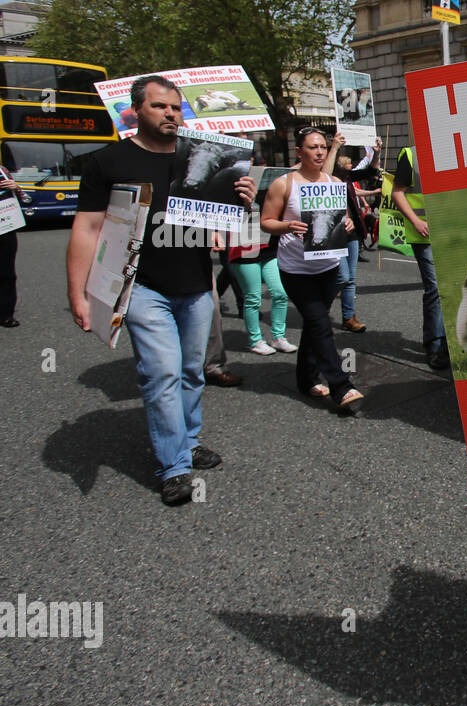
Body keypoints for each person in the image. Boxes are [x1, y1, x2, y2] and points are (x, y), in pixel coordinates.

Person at [66, 75, 254, 505]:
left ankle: (187, 441)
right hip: (140, 287)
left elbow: (227, 224)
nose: (170, 114)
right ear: (135, 111)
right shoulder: (107, 162)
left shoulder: (202, 155)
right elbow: (87, 228)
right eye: (159, 107)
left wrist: (241, 199)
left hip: (195, 285)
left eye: (175, 108)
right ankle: (174, 467)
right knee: (162, 373)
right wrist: (78, 293)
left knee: (191, 372)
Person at [260, 127, 363, 412]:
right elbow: (266, 221)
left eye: (322, 147)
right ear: (299, 151)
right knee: (320, 323)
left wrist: (348, 224)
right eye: (312, 147)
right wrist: (286, 226)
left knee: (314, 324)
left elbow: (338, 217)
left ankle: (305, 379)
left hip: (328, 266)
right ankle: (341, 385)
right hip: (296, 269)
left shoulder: (332, 181)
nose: (319, 152)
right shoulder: (284, 184)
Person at [391, 145, 449, 370]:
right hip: (424, 235)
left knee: (451, 287)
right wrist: (416, 221)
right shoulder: (411, 154)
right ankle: (434, 345)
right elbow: (398, 192)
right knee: (435, 288)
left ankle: (449, 341)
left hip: (452, 232)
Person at [324, 134, 382, 333]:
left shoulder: (343, 173)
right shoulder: (318, 174)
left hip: (352, 231)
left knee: (351, 278)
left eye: (323, 148)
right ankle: (321, 307)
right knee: (343, 277)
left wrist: (376, 153)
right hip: (332, 232)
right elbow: (324, 180)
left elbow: (368, 171)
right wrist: (334, 148)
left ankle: (349, 317)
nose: (319, 152)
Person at [217, 220, 294, 356]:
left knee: (280, 293)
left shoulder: (268, 197)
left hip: (269, 248)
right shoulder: (237, 198)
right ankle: (255, 341)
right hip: (244, 247)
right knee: (253, 297)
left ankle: (278, 337)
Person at [0, 167, 19, 327]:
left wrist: (16, 187)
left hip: (5, 227)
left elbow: (22, 197)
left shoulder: (2, 170)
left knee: (7, 274)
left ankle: (6, 314)